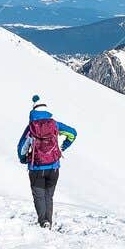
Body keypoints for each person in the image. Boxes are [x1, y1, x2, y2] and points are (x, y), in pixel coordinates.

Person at [15, 95, 77, 229]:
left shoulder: (31, 128)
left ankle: (43, 222)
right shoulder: (55, 125)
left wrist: (23, 159)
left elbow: (21, 148)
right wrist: (62, 147)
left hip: (36, 168)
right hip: (53, 168)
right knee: (49, 196)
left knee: (39, 197)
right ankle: (48, 222)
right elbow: (73, 133)